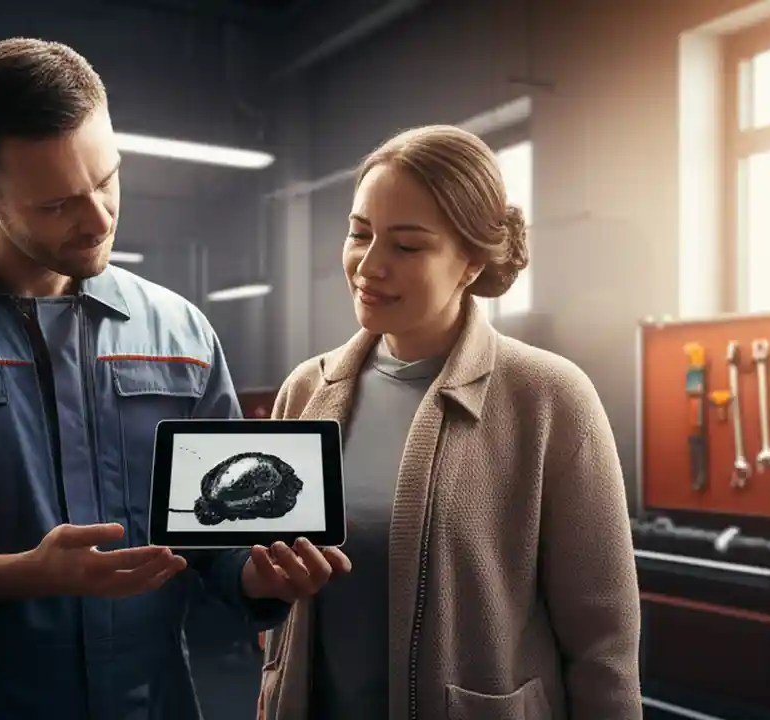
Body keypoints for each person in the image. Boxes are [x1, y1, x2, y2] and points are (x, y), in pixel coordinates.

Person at [0, 38, 348, 720]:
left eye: (107, 179)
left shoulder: (181, 335)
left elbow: (218, 538)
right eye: (56, 205)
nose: (98, 219)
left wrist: (257, 575)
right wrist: (24, 574)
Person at [257, 125, 642, 719]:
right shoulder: (307, 389)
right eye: (360, 234)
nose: (369, 265)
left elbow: (604, 643)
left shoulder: (549, 399)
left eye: (407, 246)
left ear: (469, 263)